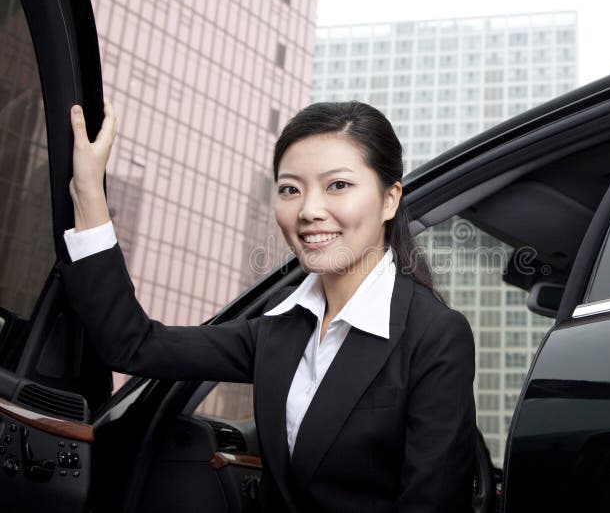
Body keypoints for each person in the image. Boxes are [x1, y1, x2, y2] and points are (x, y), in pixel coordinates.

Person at [60, 100, 477, 512]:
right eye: (290, 189)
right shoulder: (280, 324)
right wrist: (90, 194)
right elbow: (135, 345)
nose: (309, 211)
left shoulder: (435, 335)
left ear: (390, 199)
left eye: (338, 185)